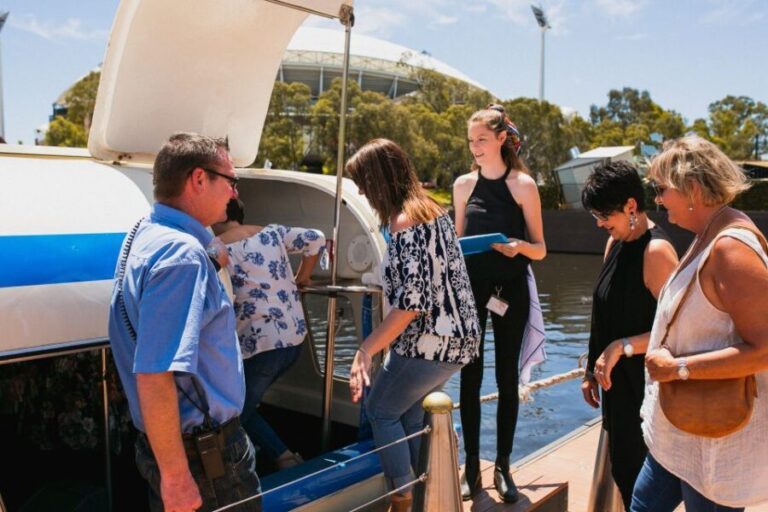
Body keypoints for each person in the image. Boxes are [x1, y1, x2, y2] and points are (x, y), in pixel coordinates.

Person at [108, 133, 261, 512]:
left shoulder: (146, 235)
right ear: (197, 179)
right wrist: (177, 478)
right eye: (230, 180)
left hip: (179, 446)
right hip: (204, 459)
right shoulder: (182, 255)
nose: (234, 193)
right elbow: (155, 372)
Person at [632, 136, 768, 511]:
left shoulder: (730, 247)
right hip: (680, 428)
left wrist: (677, 369)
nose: (658, 199)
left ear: (692, 188)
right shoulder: (706, 234)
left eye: (662, 189)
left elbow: (765, 349)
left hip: (714, 437)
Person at [346, 139, 481, 512]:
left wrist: (366, 349)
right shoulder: (432, 211)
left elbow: (411, 304)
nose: (360, 191)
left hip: (429, 343)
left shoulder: (404, 222)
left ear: (378, 180)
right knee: (409, 414)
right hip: (459, 341)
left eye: (362, 182)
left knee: (380, 410)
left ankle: (402, 499)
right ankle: (432, 491)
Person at [452, 104, 546, 502]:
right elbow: (455, 246)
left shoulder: (523, 185)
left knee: (506, 379)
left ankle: (503, 467)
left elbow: (541, 250)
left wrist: (519, 246)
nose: (475, 147)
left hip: (510, 290)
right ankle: (470, 466)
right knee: (469, 379)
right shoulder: (461, 186)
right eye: (471, 141)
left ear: (502, 139)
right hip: (470, 292)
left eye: (482, 140)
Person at [580, 161, 678, 509]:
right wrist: (591, 369)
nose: (599, 223)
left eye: (605, 214)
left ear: (631, 207)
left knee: (642, 487)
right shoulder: (615, 244)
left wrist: (621, 347)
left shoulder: (656, 252)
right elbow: (602, 314)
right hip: (617, 389)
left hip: (646, 389)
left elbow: (678, 331)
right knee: (625, 475)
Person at [212, 198, 325, 470]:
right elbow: (317, 239)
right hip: (293, 339)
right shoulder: (272, 232)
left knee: (235, 411)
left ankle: (283, 458)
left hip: (260, 344)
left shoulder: (218, 247)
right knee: (247, 404)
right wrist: (303, 277)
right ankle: (275, 455)